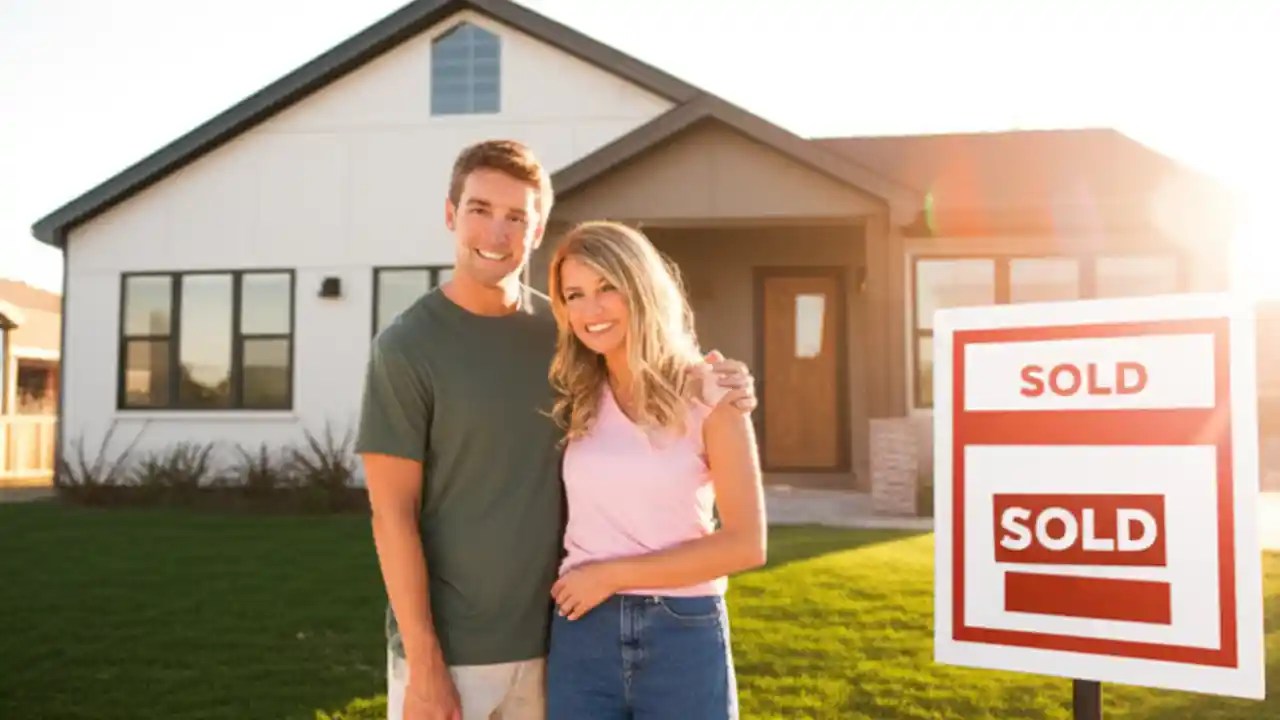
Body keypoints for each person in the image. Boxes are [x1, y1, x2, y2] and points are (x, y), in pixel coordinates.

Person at [354, 139, 756, 720]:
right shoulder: (405, 349)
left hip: (561, 640)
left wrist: (726, 383)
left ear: (537, 230)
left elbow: (652, 374)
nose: (496, 234)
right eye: (479, 210)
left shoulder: (570, 331)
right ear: (450, 215)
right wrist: (423, 662)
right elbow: (390, 515)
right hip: (455, 653)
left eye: (516, 216)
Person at [543, 220, 767, 719]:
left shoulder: (712, 392)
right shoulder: (574, 395)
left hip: (681, 632)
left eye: (607, 288)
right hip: (584, 631)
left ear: (640, 288)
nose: (590, 310)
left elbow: (747, 543)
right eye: (574, 295)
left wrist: (611, 575)